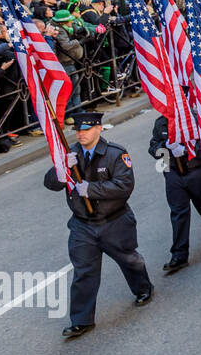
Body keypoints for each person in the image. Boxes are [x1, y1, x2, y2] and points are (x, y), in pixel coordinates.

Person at [42, 112, 152, 338]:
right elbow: (50, 184)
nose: (81, 134)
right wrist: (61, 170)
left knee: (129, 259)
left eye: (86, 129)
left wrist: (90, 189)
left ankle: (143, 288)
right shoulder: (69, 153)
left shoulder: (115, 154)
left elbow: (124, 186)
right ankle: (82, 320)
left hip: (114, 221)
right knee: (84, 272)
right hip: (83, 224)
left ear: (99, 129)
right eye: (78, 130)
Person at [148, 112, 201, 274]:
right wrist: (164, 148)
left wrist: (185, 150)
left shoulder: (196, 118)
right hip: (173, 171)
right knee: (178, 211)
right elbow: (153, 146)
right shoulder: (161, 122)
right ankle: (179, 254)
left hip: (197, 170)